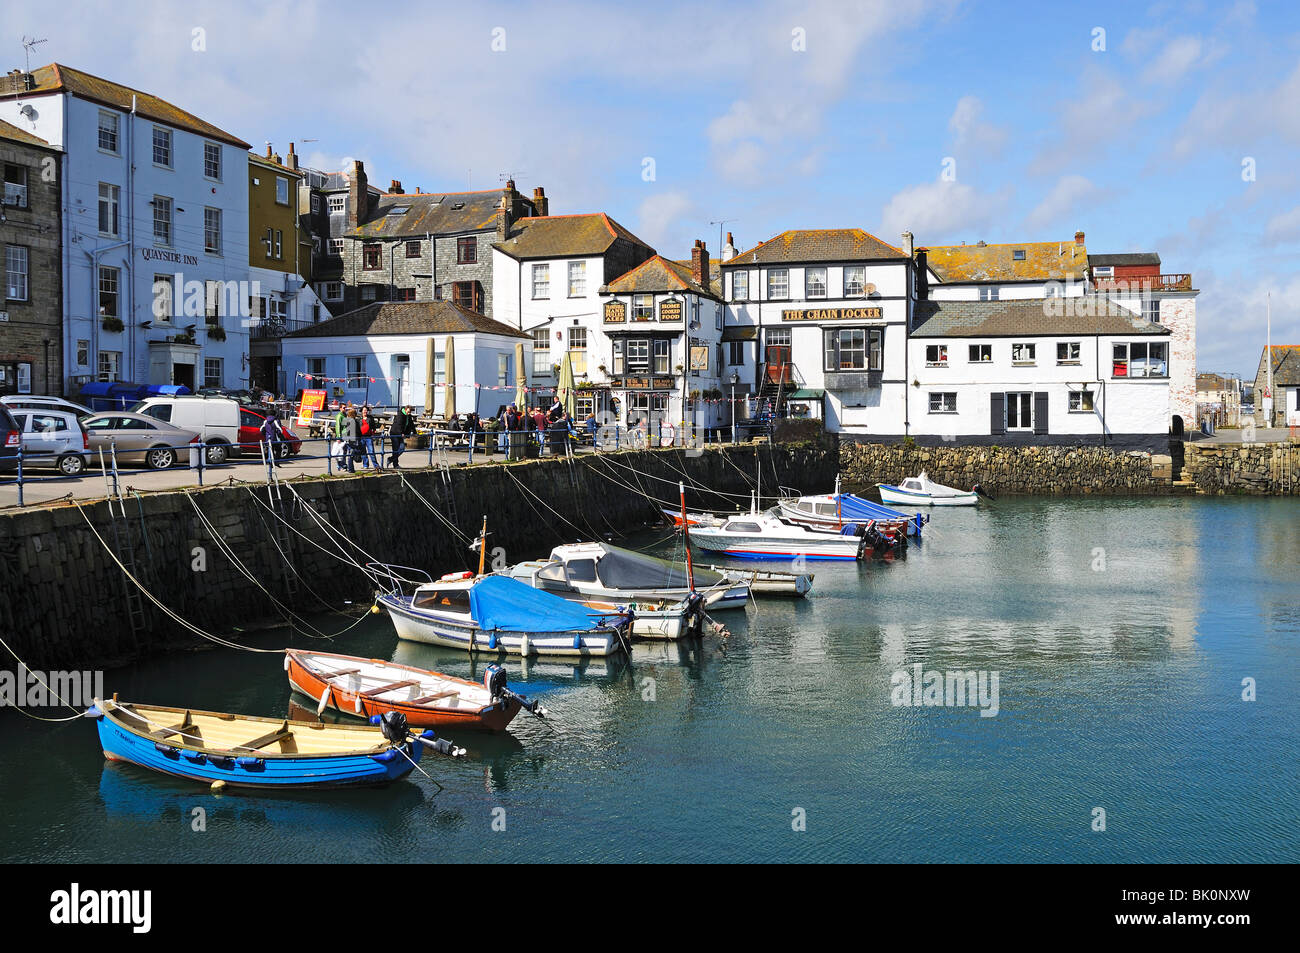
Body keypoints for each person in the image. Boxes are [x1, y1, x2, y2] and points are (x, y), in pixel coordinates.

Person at [358, 404, 381, 469]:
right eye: (364, 410)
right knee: (363, 452)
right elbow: (357, 427)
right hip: (361, 437)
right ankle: (365, 464)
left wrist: (373, 432)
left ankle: (376, 465)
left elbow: (374, 426)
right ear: (361, 411)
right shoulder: (359, 419)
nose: (365, 411)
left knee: (371, 451)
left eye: (366, 410)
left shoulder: (370, 418)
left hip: (368, 437)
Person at [341, 408, 360, 472]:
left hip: (346, 438)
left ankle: (346, 466)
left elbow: (343, 428)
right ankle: (351, 468)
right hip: (353, 439)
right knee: (352, 454)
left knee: (347, 453)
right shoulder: (354, 421)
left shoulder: (346, 420)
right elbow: (358, 431)